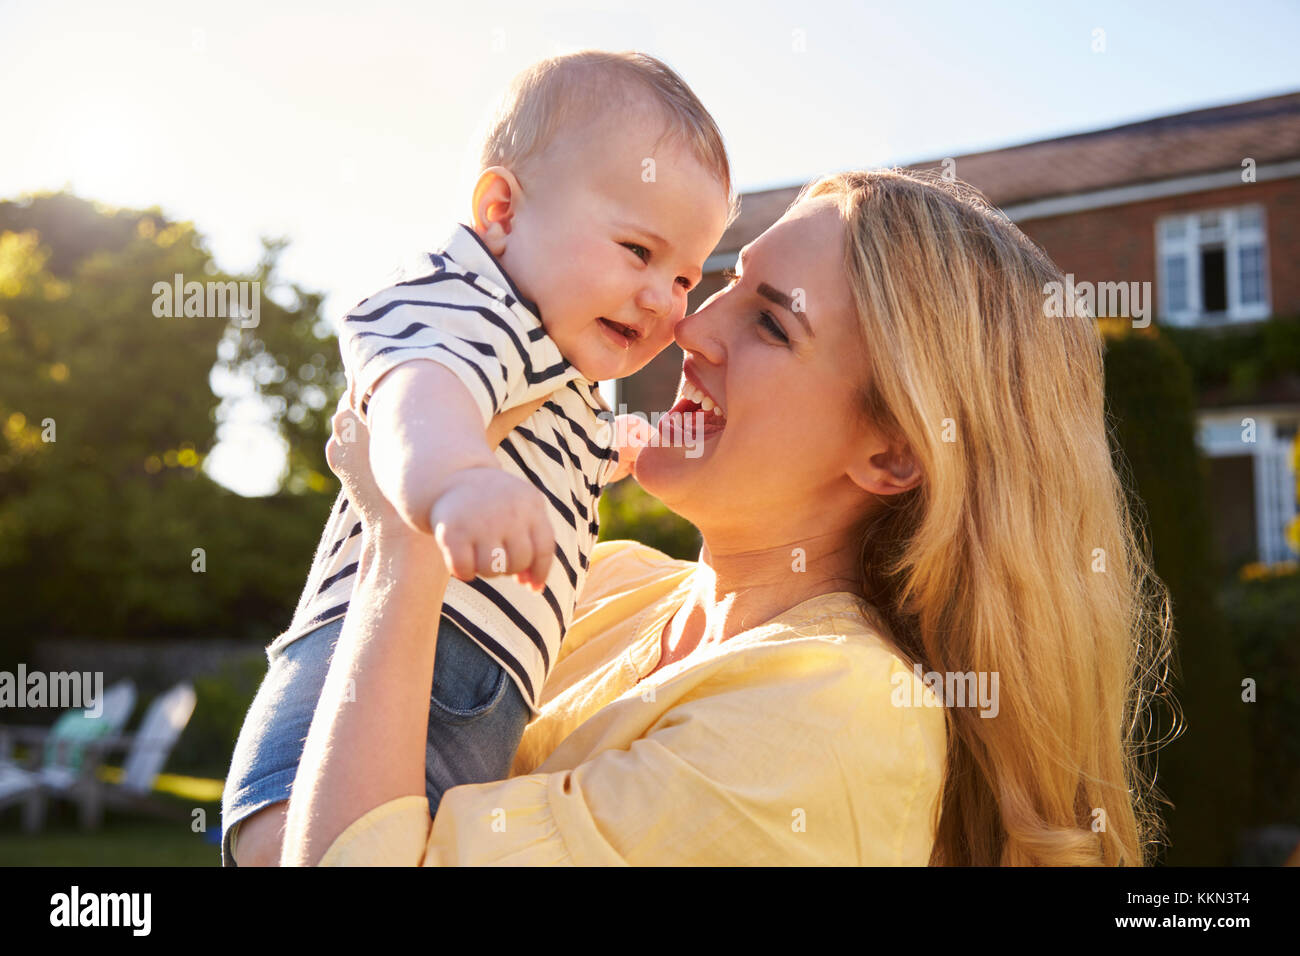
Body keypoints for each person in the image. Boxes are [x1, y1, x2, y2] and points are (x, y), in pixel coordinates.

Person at [265, 169, 1176, 866]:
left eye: (773, 325)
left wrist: (400, 539)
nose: (691, 330)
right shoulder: (600, 579)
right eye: (729, 283)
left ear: (896, 452)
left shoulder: (833, 713)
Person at [220, 50, 733, 865]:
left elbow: (594, 449)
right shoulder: (467, 300)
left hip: (477, 690)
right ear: (500, 209)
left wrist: (666, 438)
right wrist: (455, 479)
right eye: (638, 251)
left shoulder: (555, 367)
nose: (661, 300)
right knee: (313, 847)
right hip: (376, 673)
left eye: (683, 278)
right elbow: (418, 392)